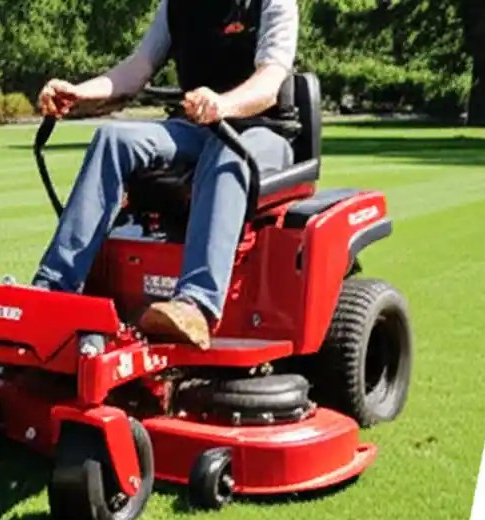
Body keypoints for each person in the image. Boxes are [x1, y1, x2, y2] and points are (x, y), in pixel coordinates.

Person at [32, 0, 300, 350]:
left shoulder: (272, 3)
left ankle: (196, 304)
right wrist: (80, 93)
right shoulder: (177, 6)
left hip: (262, 131)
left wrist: (223, 106)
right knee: (113, 139)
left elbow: (268, 82)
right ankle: (53, 287)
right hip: (195, 127)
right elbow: (136, 69)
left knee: (224, 151)